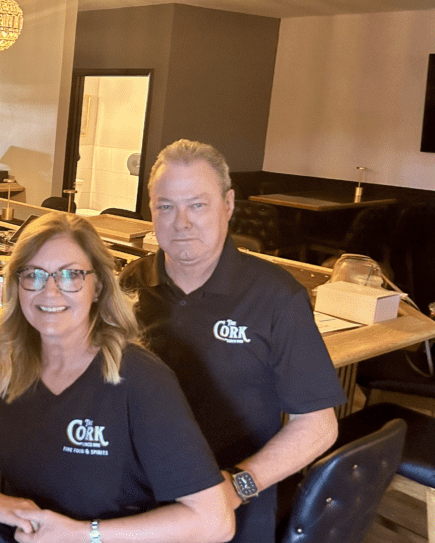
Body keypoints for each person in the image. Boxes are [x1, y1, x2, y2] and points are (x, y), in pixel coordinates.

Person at [0, 212, 235, 543]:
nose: (50, 291)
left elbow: (214, 521)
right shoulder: (0, 362)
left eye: (70, 275)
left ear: (98, 286)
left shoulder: (141, 379)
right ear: (16, 285)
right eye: (34, 274)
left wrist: (83, 535)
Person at [119, 139, 347, 543]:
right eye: (166, 206)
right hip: (134, 506)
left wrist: (239, 485)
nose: (181, 222)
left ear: (228, 204)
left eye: (198, 205)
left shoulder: (277, 296)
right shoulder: (130, 284)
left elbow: (317, 426)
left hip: (231, 510)